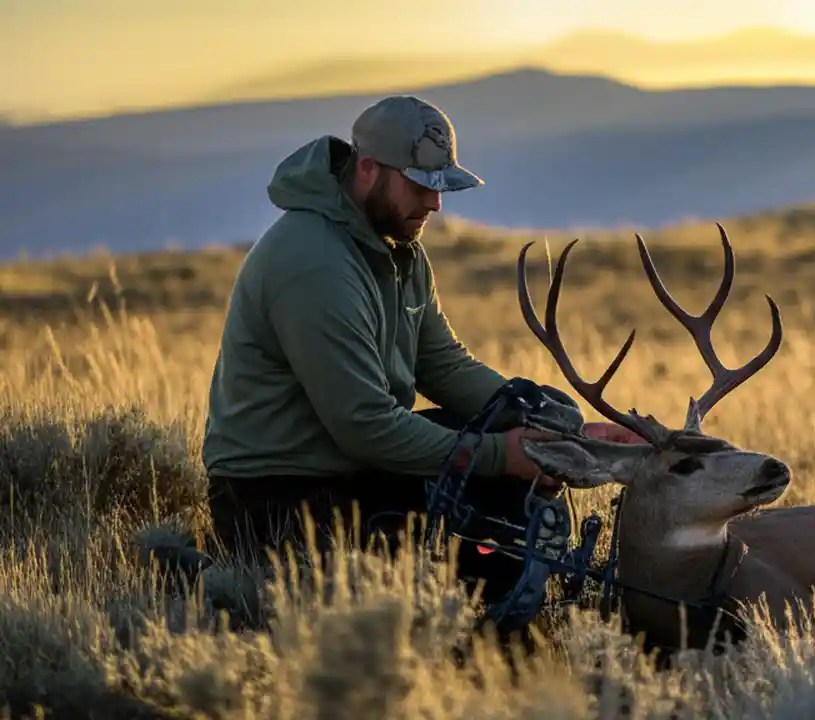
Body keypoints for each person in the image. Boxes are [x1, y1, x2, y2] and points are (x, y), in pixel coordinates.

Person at [200, 95, 640, 601]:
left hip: (348, 469)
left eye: (440, 186)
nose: (435, 204)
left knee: (512, 429)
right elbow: (366, 427)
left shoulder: (396, 248)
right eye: (420, 186)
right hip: (277, 497)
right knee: (491, 477)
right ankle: (489, 615)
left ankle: (510, 596)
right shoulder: (314, 263)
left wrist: (557, 429)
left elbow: (442, 365)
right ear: (368, 168)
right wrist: (503, 455)